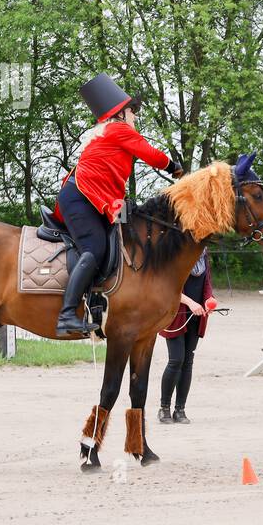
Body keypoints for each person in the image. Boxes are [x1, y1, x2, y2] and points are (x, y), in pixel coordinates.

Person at [51, 74, 182, 335]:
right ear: (121, 113)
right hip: (81, 198)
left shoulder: (108, 133)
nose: (135, 117)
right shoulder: (119, 130)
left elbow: (113, 188)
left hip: (91, 199)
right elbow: (149, 154)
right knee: (95, 247)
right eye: (133, 112)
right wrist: (173, 167)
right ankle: (66, 315)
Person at [157, 246, 213, 425]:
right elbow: (169, 287)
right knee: (176, 360)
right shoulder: (176, 254)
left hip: (196, 316)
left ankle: (180, 410)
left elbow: (207, 284)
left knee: (188, 361)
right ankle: (164, 408)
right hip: (176, 315)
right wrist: (190, 303)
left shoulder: (203, 255)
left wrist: (208, 301)